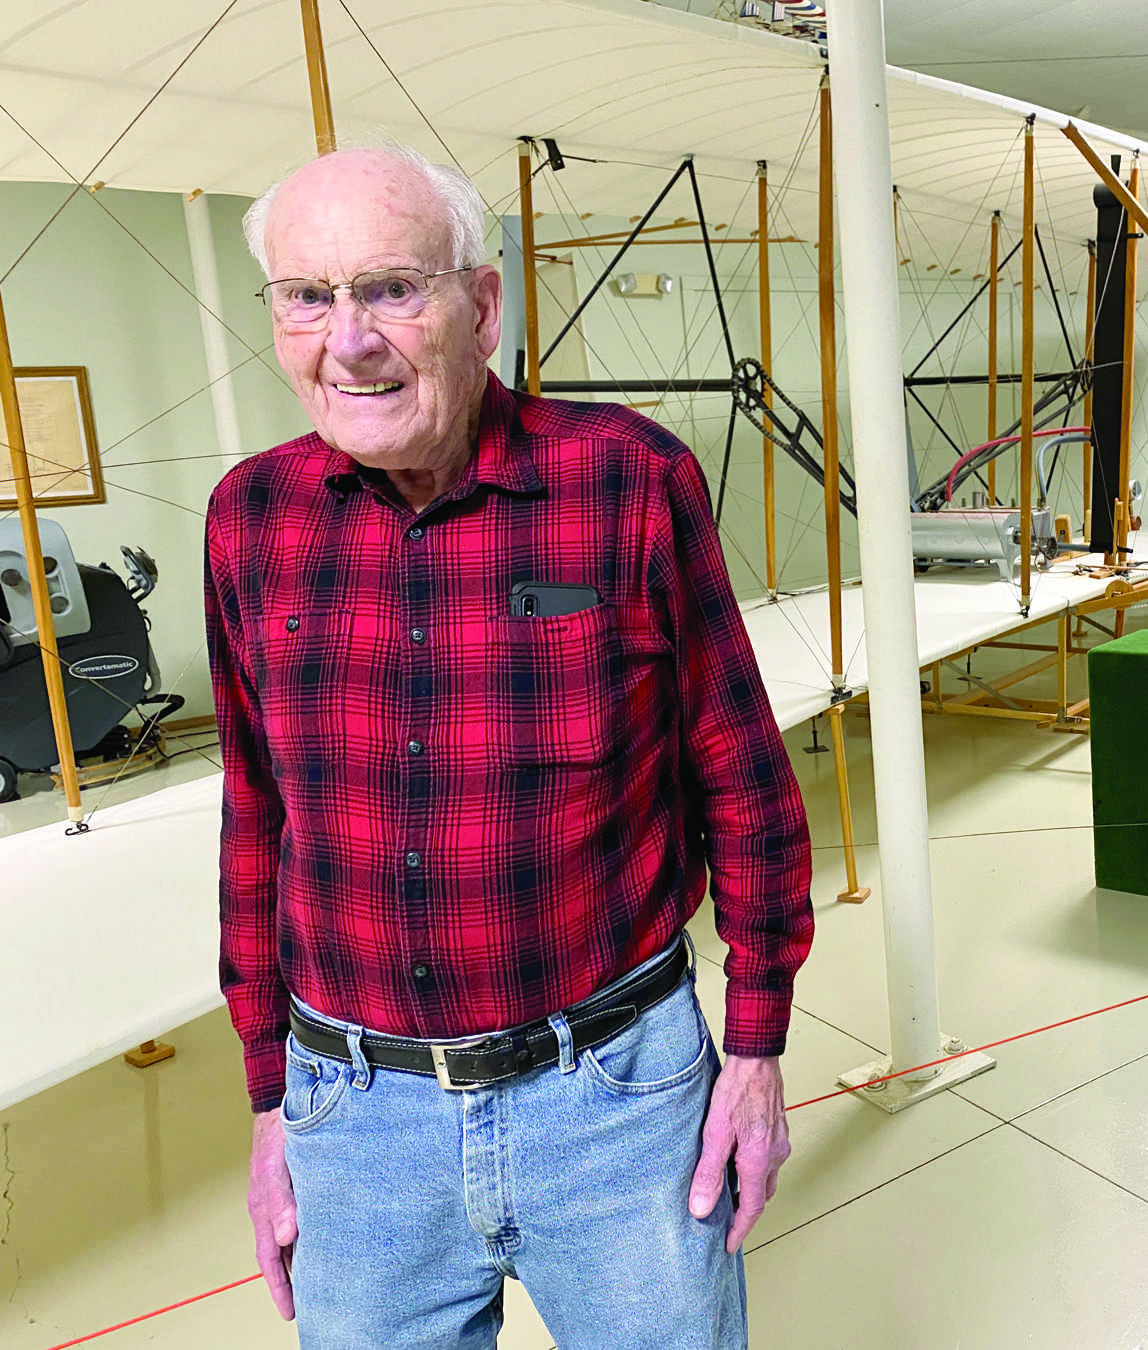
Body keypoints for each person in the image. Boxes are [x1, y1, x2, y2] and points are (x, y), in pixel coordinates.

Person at [203, 143, 813, 1350]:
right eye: (305, 297)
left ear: (481, 307)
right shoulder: (251, 519)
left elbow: (744, 786)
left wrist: (753, 1054)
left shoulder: (629, 482)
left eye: (390, 288)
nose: (349, 338)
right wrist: (274, 1103)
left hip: (617, 1104)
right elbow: (255, 818)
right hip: (356, 1117)